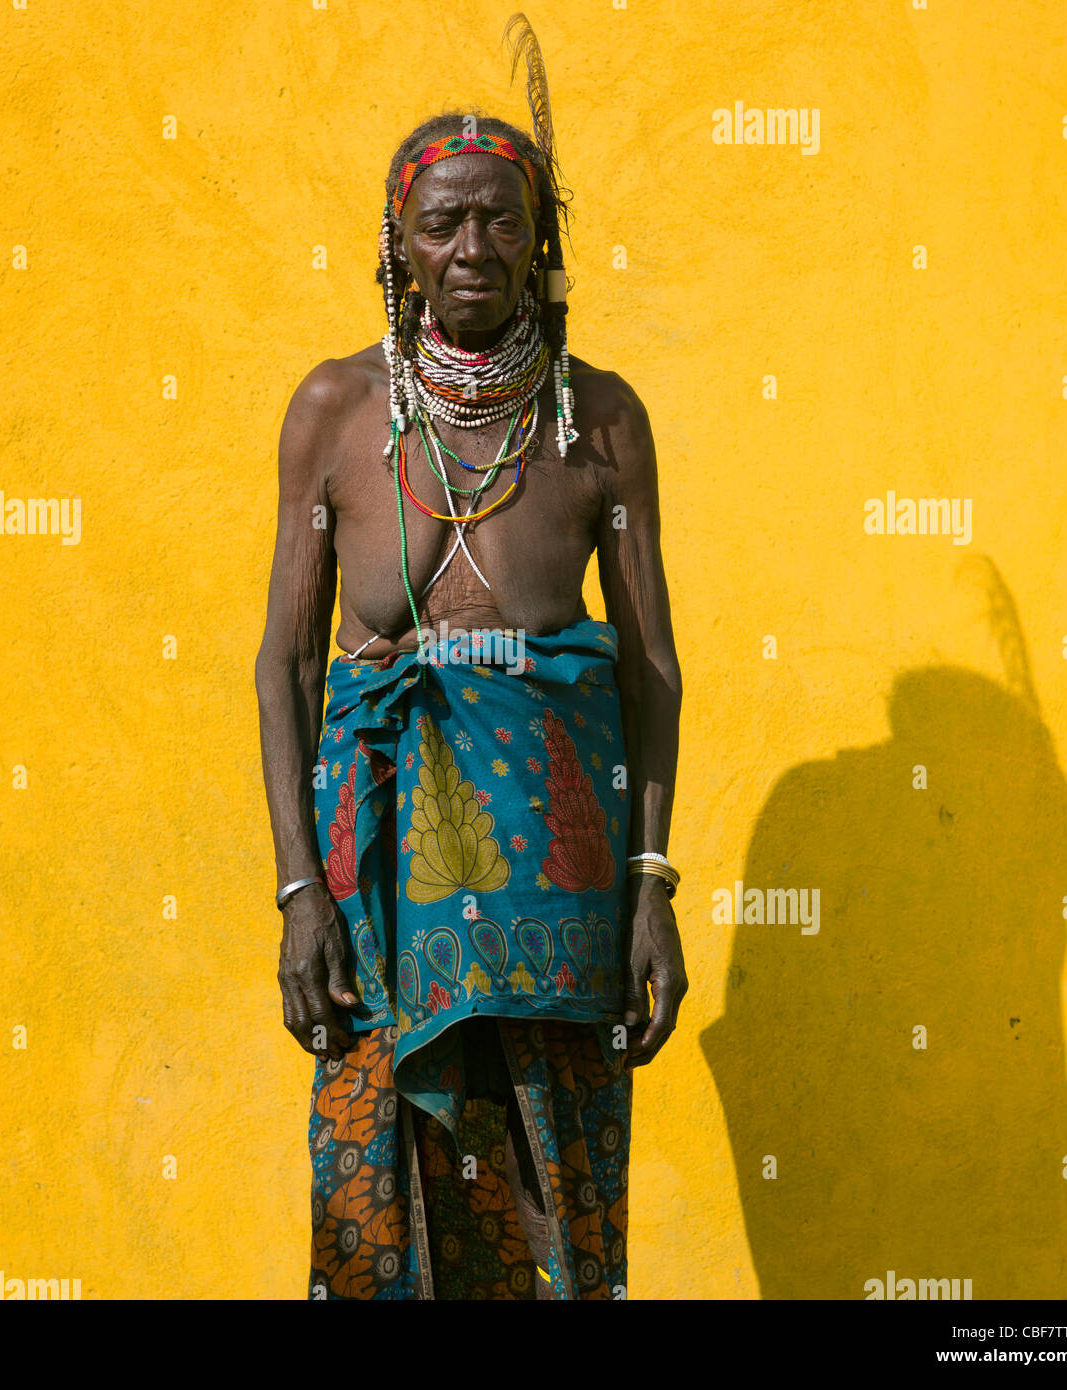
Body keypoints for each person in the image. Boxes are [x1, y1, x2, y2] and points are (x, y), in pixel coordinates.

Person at [257, 26, 684, 1300]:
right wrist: (299, 892)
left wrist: (651, 887)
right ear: (397, 243)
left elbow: (652, 669)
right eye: (442, 223)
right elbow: (285, 667)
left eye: (502, 220)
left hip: (562, 883)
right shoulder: (333, 414)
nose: (472, 249)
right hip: (377, 880)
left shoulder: (599, 419)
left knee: (557, 1194)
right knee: (376, 1196)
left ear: (541, 239)